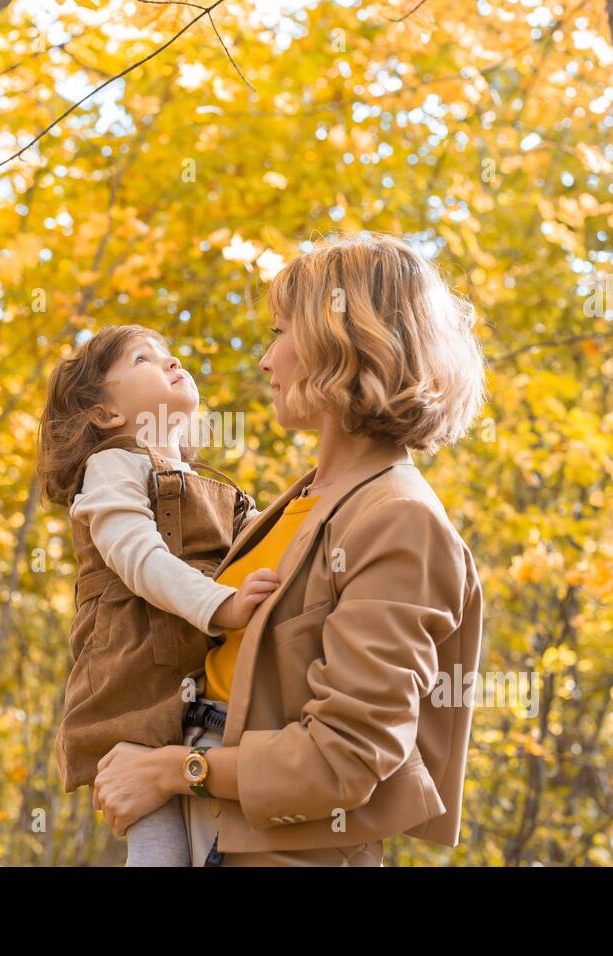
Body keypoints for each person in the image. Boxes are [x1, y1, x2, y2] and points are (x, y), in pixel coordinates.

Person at [92, 232, 488, 865]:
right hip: (210, 823)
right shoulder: (297, 503)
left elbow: (347, 757)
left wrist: (176, 770)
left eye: (279, 333)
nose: (265, 360)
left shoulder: (400, 520)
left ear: (343, 342)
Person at [38, 324, 275, 865]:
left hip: (203, 697)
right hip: (138, 688)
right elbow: (140, 559)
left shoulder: (217, 487)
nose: (172, 363)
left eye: (171, 354)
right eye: (145, 358)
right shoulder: (113, 467)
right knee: (160, 846)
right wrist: (223, 604)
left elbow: (267, 545)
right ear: (103, 414)